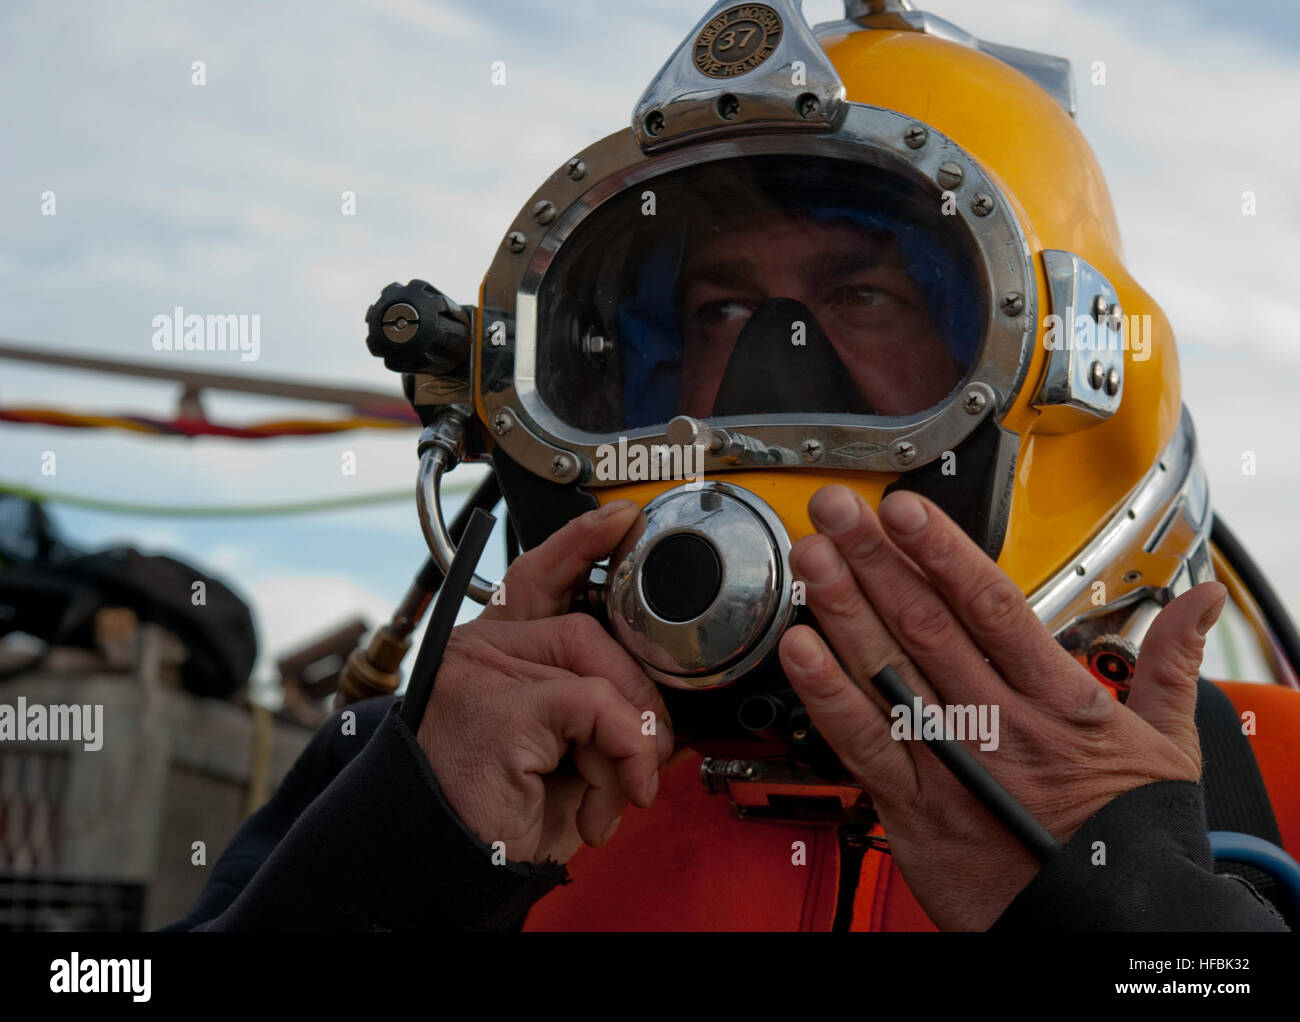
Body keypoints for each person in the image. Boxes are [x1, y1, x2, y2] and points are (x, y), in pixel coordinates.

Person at [168, 0, 1300, 932]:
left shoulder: (1274, 772)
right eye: (718, 308)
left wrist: (1129, 906)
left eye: (863, 295)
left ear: (1078, 371)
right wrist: (402, 862)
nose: (776, 356)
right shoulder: (436, 761)